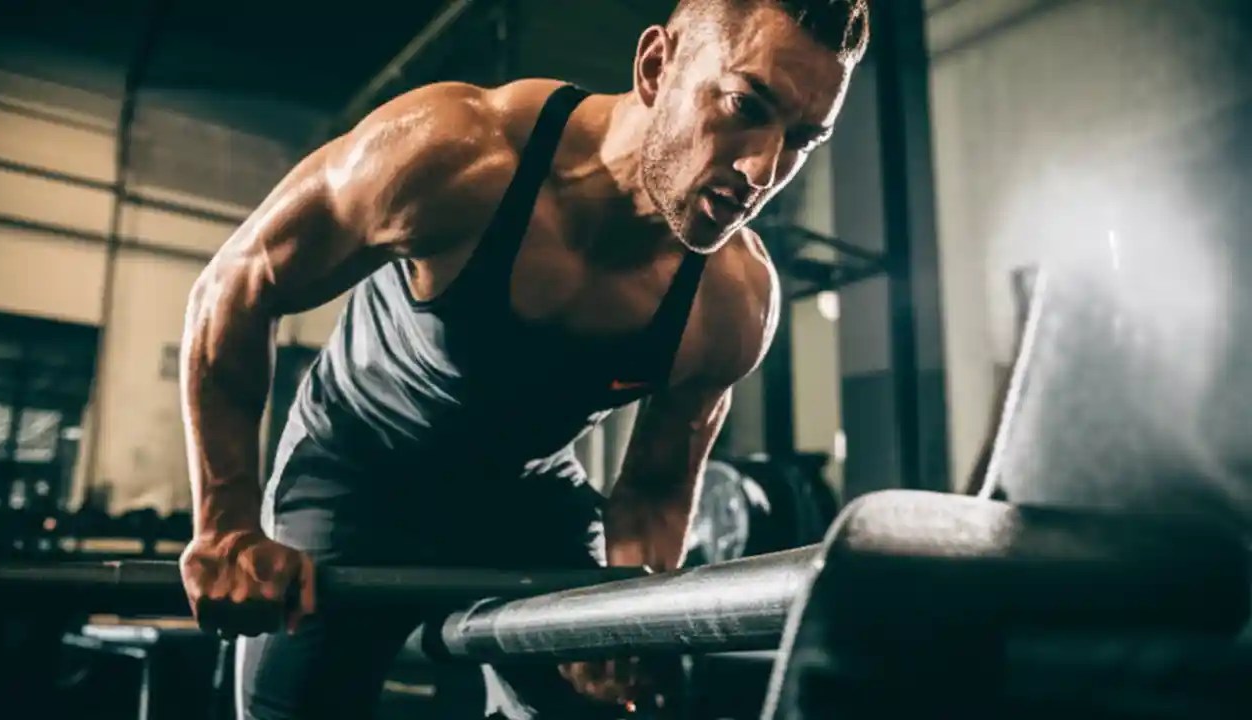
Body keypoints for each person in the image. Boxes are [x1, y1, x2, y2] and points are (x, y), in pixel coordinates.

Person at [177, 0, 869, 717]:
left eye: (801, 140)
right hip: (353, 468)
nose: (763, 168)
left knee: (598, 705)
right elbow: (239, 283)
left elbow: (655, 490)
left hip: (525, 497)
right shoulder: (455, 153)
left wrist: (625, 615)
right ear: (657, 66)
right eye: (745, 105)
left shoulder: (733, 300)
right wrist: (226, 520)